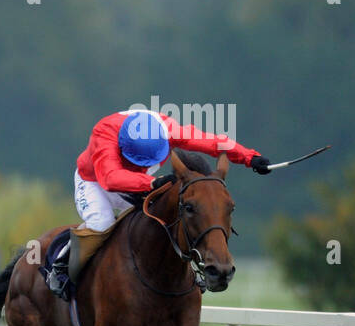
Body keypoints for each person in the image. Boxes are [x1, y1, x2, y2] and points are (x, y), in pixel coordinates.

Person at [47, 108, 270, 297]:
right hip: (95, 181)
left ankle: (189, 272)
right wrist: (152, 182)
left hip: (138, 181)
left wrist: (250, 158)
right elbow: (110, 178)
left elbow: (215, 142)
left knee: (162, 220)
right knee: (102, 222)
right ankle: (61, 264)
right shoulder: (105, 133)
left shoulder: (167, 130)